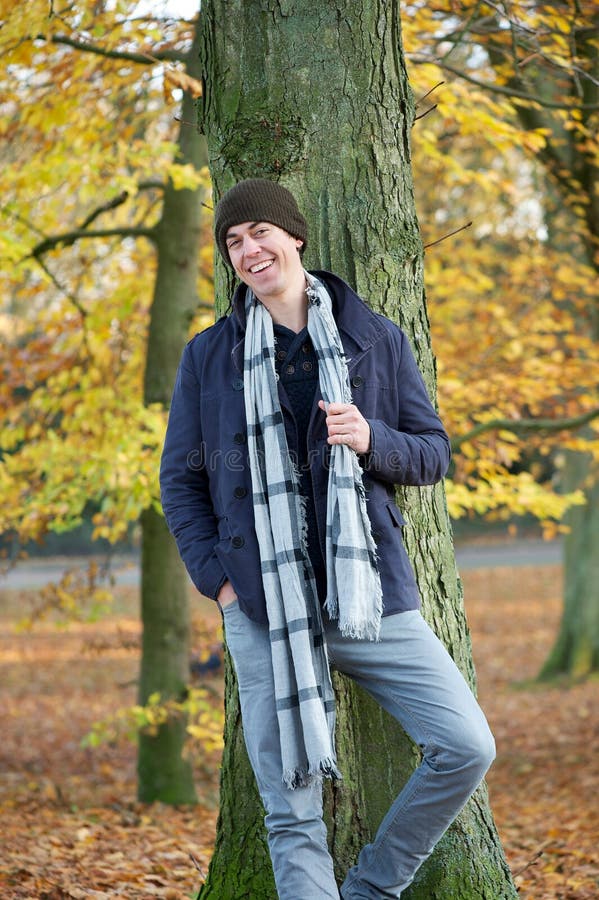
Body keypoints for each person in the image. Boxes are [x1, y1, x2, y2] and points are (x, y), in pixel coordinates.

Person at [159, 178, 495, 899]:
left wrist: (373, 439)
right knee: (290, 811)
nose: (248, 250)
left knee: (466, 746)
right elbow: (180, 482)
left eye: (258, 232)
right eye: (232, 242)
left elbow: (432, 452)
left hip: (367, 595)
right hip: (261, 605)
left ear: (294, 236)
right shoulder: (209, 356)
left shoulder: (373, 337)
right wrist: (218, 581)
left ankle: (371, 889)